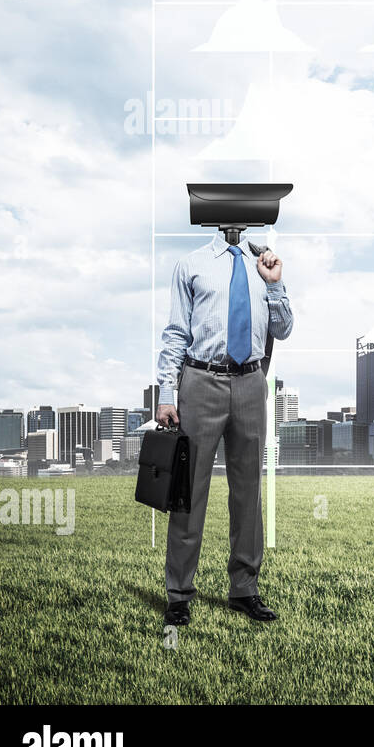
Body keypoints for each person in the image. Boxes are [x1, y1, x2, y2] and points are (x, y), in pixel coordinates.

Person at [155, 233, 292, 626]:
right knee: (188, 491)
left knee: (248, 491)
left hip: (251, 383)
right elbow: (176, 332)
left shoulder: (264, 264)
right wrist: (167, 393)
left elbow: (283, 330)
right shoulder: (192, 264)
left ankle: (244, 590)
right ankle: (179, 595)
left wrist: (276, 284)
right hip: (200, 382)